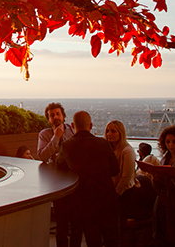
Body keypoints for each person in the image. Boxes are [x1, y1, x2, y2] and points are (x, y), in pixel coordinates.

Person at [57, 111, 120, 247]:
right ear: (91, 125)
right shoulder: (103, 144)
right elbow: (115, 170)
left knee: (93, 240)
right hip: (107, 199)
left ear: (73, 125)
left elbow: (58, 167)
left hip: (83, 202)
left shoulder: (67, 146)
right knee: (112, 239)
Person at [37, 102, 79, 247]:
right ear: (48, 119)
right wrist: (55, 138)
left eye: (57, 114)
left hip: (75, 181)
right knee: (61, 222)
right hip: (57, 182)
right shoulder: (44, 134)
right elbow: (42, 156)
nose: (55, 117)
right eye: (52, 115)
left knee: (76, 222)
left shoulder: (73, 131)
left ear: (63, 116)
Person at [105, 120, 136, 196]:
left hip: (124, 193)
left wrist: (115, 194)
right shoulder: (108, 149)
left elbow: (126, 178)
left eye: (113, 131)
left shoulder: (127, 151)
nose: (109, 134)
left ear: (121, 133)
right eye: (107, 131)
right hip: (110, 191)